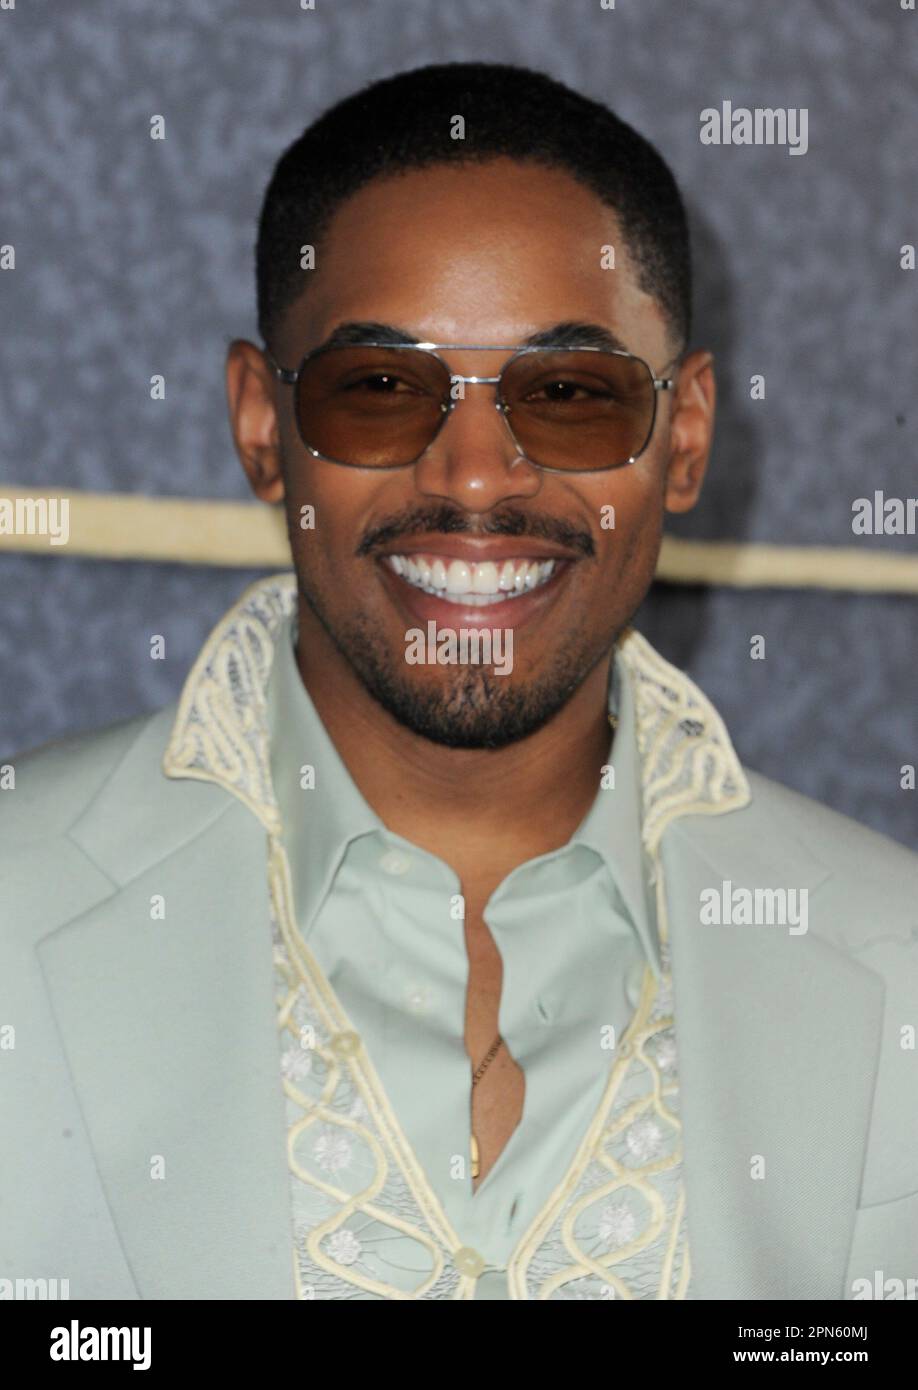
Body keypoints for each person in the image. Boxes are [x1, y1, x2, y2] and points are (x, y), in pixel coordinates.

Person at [2, 62, 916, 1302]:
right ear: (264, 428)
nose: (478, 477)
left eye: (571, 395)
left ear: (685, 436)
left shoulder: (891, 957)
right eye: (380, 389)